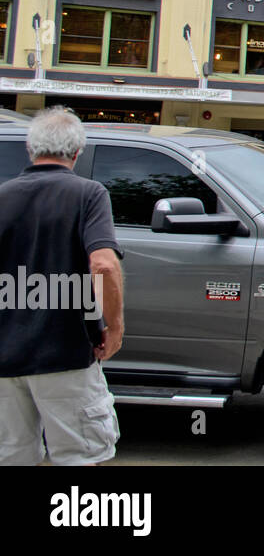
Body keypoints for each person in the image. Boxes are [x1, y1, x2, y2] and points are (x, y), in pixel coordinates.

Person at [0, 107, 125, 465]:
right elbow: (103, 264)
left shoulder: (3, 195)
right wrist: (114, 327)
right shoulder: (89, 195)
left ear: (30, 149)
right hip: (66, 355)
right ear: (77, 151)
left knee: (11, 457)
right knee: (80, 456)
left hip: (5, 359)